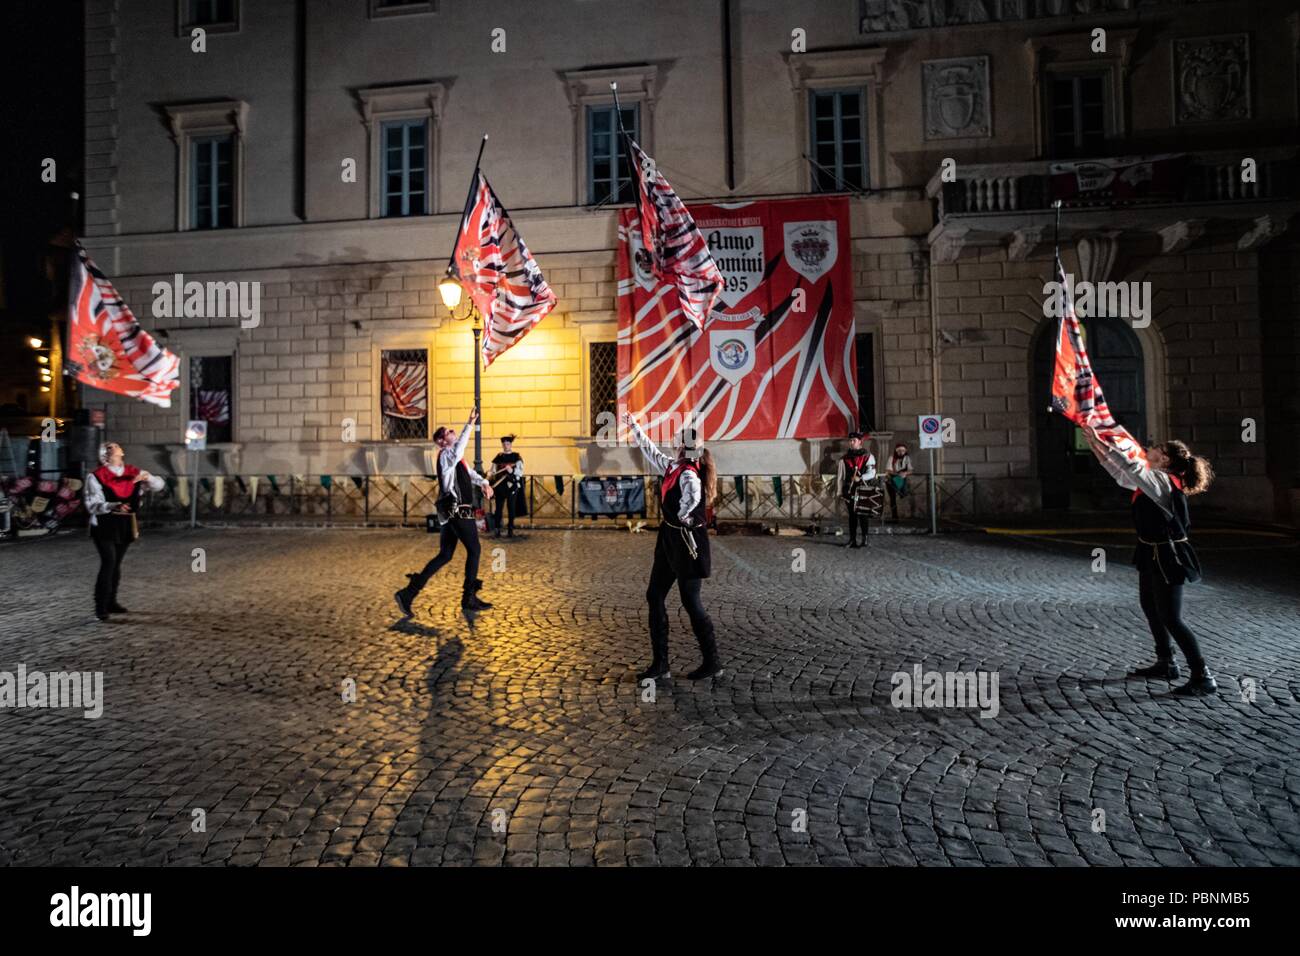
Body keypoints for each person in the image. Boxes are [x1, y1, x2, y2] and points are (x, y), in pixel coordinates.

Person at [1085, 429, 1217, 697]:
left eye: (1156, 448)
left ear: (1165, 459)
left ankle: (1203, 676)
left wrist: (1102, 441)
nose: (1150, 449)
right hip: (1150, 551)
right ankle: (1166, 662)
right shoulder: (1154, 480)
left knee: (1171, 617)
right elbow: (1121, 473)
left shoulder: (1162, 481)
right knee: (1150, 606)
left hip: (1168, 554)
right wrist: (1095, 445)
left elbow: (1130, 466)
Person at [623, 411, 722, 681]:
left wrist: (682, 514)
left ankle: (712, 662)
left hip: (687, 543)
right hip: (669, 540)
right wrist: (634, 427)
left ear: (683, 448)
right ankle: (661, 664)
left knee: (692, 603)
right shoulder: (672, 466)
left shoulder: (689, 474)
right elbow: (649, 450)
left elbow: (693, 498)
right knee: (654, 596)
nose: (672, 443)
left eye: (677, 440)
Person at [395, 408, 494, 616]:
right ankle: (468, 598)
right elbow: (458, 451)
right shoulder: (446, 456)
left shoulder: (457, 460)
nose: (452, 431)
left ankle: (408, 593)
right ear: (441, 441)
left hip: (451, 513)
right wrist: (469, 423)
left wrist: (484, 483)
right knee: (474, 549)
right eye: (448, 431)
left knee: (445, 554)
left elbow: (471, 474)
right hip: (457, 511)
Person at [83, 441, 164, 621]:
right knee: (109, 562)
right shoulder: (96, 476)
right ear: (106, 455)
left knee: (116, 563)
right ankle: (100, 605)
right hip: (104, 523)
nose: (117, 447)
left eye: (117, 446)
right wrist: (114, 505)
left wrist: (147, 478)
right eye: (112, 447)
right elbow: (92, 504)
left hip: (125, 523)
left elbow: (159, 485)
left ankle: (112, 602)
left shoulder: (132, 472)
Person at [837, 430, 877, 548]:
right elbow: (840, 477)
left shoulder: (868, 456)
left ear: (860, 442)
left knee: (863, 514)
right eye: (850, 440)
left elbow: (872, 473)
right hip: (849, 490)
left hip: (863, 489)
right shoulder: (844, 459)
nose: (851, 442)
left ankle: (865, 539)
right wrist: (839, 492)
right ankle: (852, 539)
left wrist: (861, 478)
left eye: (854, 440)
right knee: (852, 516)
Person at [490, 434, 524, 538]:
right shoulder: (499, 457)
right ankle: (497, 529)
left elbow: (520, 472)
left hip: (512, 486)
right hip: (500, 486)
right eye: (504, 444)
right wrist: (490, 473)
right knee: (498, 508)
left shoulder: (516, 456)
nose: (506, 446)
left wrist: (512, 470)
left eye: (508, 444)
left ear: (511, 444)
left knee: (511, 508)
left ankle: (510, 529)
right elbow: (493, 470)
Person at [885, 442, 914, 520]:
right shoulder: (892, 457)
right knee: (893, 499)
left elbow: (911, 470)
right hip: (892, 480)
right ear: (896, 451)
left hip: (902, 479)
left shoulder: (907, 458)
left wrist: (905, 473)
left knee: (905, 495)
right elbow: (888, 470)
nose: (901, 452)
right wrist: (898, 474)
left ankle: (907, 514)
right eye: (899, 451)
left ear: (905, 451)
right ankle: (895, 517)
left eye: (903, 451)